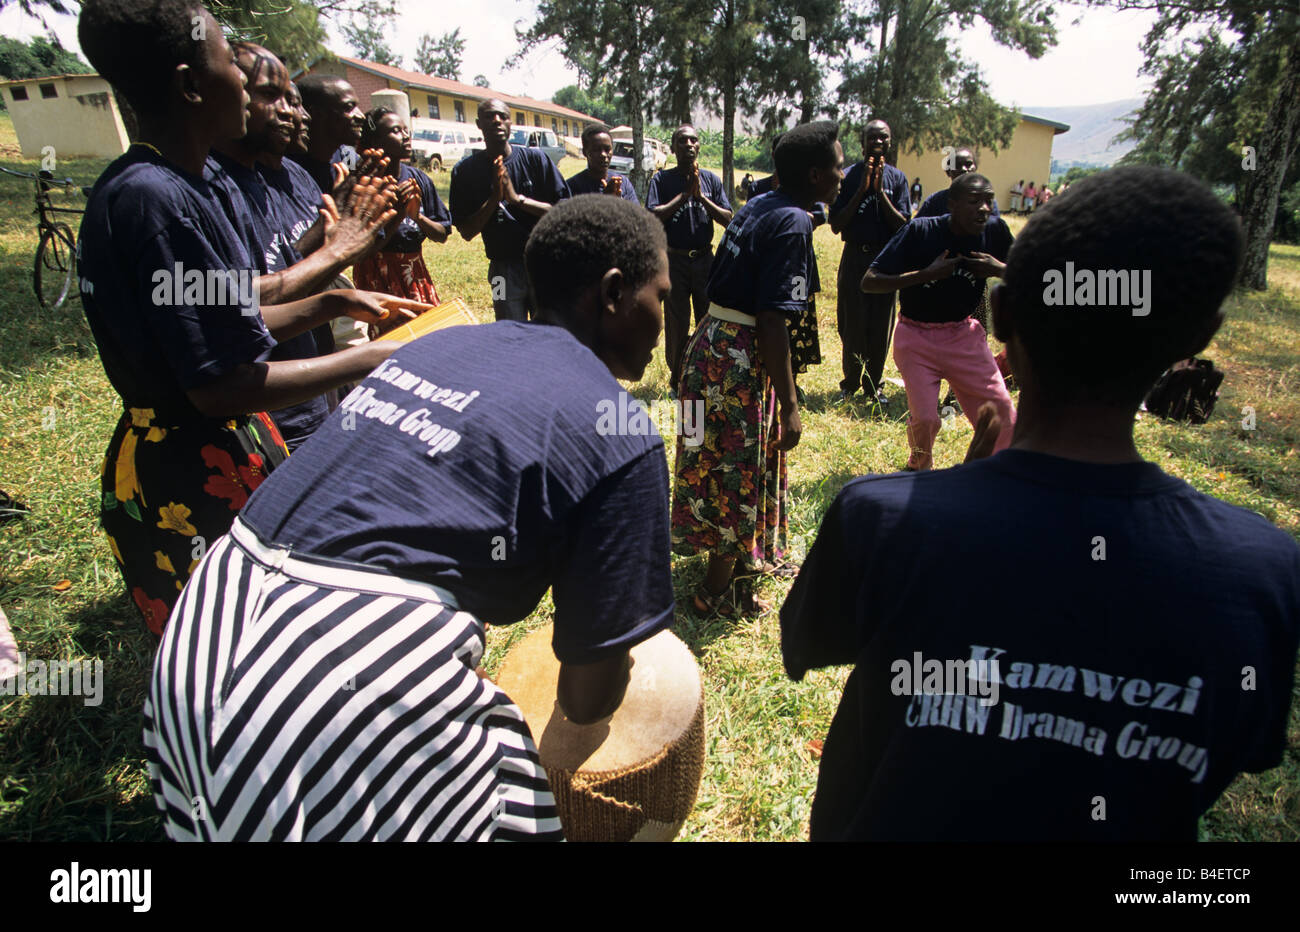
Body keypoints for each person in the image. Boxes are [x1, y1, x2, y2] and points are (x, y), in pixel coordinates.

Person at [782, 165, 1300, 842]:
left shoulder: (878, 520)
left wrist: (945, 494)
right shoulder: (1263, 574)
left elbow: (806, 645)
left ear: (1000, 318)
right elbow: (1243, 750)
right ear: (1196, 343)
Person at [143, 195, 677, 841]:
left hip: (197, 646)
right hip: (338, 693)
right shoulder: (621, 433)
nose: (665, 319)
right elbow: (586, 699)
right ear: (615, 293)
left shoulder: (438, 346)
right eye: (663, 297)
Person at [76, 0, 410, 633]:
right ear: (189, 86)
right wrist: (371, 359)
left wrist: (333, 300)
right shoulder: (158, 202)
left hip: (224, 447)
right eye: (230, 60)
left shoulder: (172, 186)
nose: (240, 75)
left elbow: (231, 316)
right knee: (232, 649)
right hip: (193, 473)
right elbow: (216, 385)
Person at [672, 121, 842, 616]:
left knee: (712, 460)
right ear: (813, 174)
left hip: (709, 346)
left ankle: (745, 561)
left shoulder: (760, 205)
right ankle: (713, 593)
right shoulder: (790, 221)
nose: (841, 174)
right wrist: (791, 405)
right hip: (739, 360)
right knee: (736, 472)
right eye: (835, 165)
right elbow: (771, 320)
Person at [207, 42, 392, 450]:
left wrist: (350, 241)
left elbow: (299, 265)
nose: (295, 113)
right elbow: (238, 305)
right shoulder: (209, 188)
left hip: (313, 374)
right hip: (267, 398)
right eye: (272, 96)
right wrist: (335, 249)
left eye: (293, 100)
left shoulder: (293, 175)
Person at [862, 172, 1016, 471]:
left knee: (1002, 414)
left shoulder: (994, 231)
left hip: (963, 335)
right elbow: (870, 281)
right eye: (974, 201)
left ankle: (1002, 472)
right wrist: (927, 274)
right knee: (926, 419)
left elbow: (1034, 274)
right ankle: (919, 468)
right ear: (952, 205)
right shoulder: (921, 231)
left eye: (989, 201)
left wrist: (998, 268)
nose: (984, 208)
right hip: (915, 336)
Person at [449, 98, 569, 321]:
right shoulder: (465, 172)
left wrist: (516, 199)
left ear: (510, 123)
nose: (497, 121)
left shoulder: (536, 160)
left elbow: (563, 212)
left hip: (542, 264)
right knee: (507, 330)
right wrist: (495, 198)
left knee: (552, 329)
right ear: (478, 124)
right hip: (500, 271)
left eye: (502, 116)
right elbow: (466, 232)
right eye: (489, 116)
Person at [828, 120, 910, 408]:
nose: (877, 141)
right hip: (855, 256)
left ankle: (874, 385)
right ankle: (850, 383)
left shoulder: (898, 179)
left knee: (880, 325)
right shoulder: (847, 177)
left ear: (890, 142)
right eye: (872, 137)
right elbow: (836, 224)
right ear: (862, 142)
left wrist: (880, 193)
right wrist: (862, 190)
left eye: (883, 137)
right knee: (851, 323)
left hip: (885, 259)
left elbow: (903, 225)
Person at [646, 124, 733, 390]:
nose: (689, 145)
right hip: (675, 260)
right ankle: (677, 379)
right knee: (678, 322)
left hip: (706, 260)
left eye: (694, 140)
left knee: (709, 319)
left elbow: (728, 218)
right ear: (673, 149)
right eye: (682, 141)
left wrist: (701, 197)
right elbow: (653, 215)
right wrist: (684, 196)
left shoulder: (710, 180)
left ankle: (707, 375)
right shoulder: (662, 180)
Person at [352, 107, 451, 306]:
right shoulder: (363, 185)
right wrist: (398, 212)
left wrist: (418, 218)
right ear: (375, 141)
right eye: (396, 131)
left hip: (414, 274)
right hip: (377, 279)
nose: (406, 136)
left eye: (406, 130)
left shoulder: (418, 180)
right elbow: (365, 251)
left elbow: (442, 234)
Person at [291, 73, 364, 196]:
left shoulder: (348, 155)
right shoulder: (291, 170)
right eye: (349, 107)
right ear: (316, 113)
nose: (361, 116)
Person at [914, 147, 1000, 219]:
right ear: (948, 172)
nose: (963, 169)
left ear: (975, 168)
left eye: (968, 164)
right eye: (956, 165)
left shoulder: (987, 201)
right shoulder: (935, 201)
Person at [566, 123, 640, 203]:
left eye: (607, 149)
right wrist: (604, 201)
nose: (603, 155)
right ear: (585, 152)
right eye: (596, 150)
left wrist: (619, 202)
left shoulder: (623, 183)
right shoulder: (572, 186)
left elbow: (636, 214)